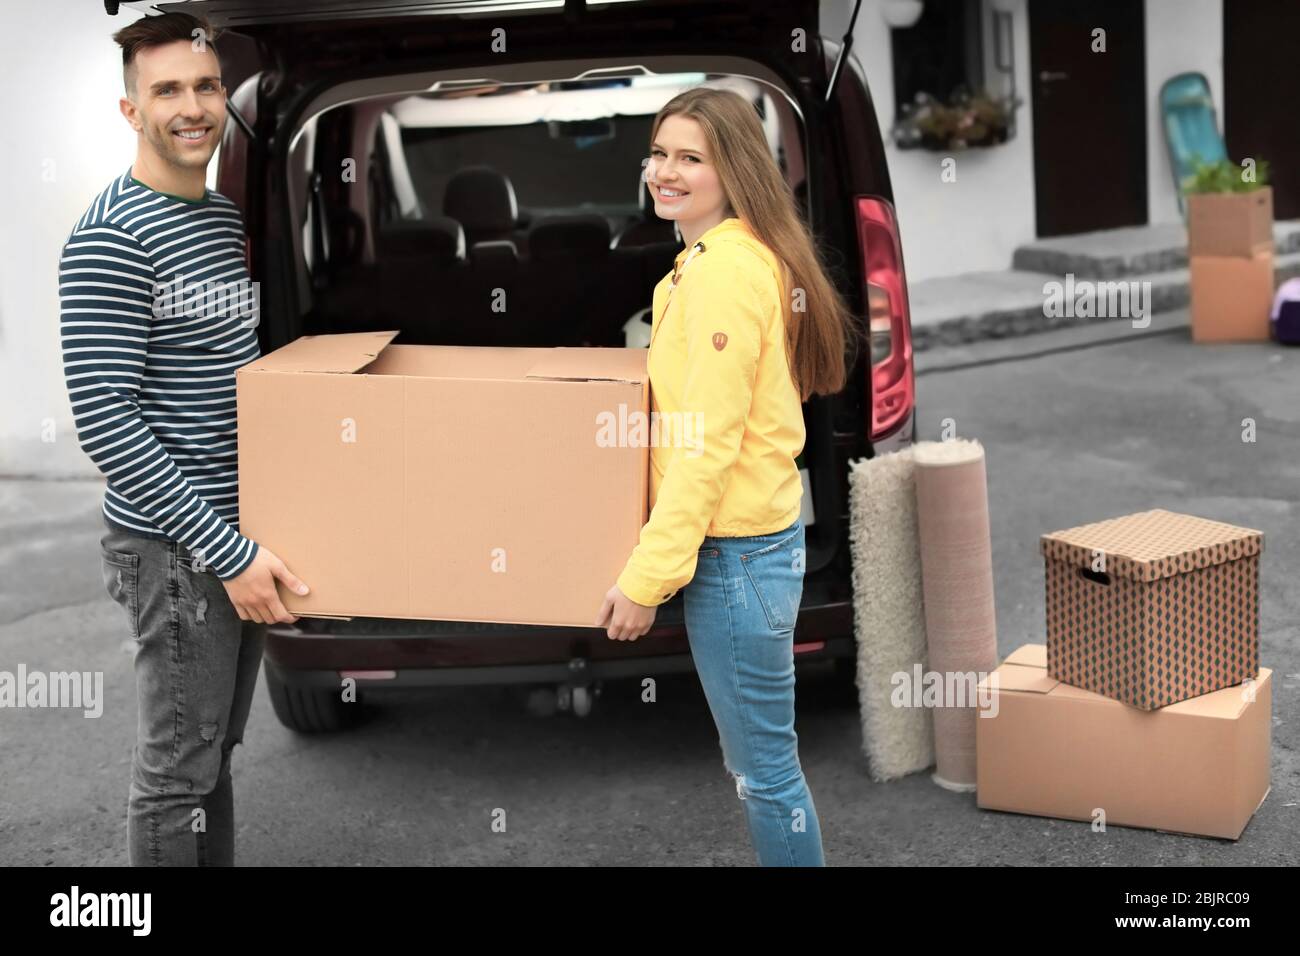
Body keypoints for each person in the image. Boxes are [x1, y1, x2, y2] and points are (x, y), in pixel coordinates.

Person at [58, 11, 307, 866]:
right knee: (174, 776)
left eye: (205, 86)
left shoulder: (211, 216)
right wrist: (225, 551)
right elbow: (106, 422)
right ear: (132, 111)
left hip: (226, 535)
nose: (192, 106)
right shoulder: (110, 238)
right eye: (167, 90)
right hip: (175, 548)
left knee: (208, 760)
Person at [594, 88, 857, 866]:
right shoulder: (711, 261)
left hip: (735, 558)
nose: (664, 172)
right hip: (743, 550)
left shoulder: (723, 274)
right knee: (762, 768)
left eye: (690, 158)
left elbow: (705, 446)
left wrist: (647, 579)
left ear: (734, 169)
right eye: (658, 153)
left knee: (766, 775)